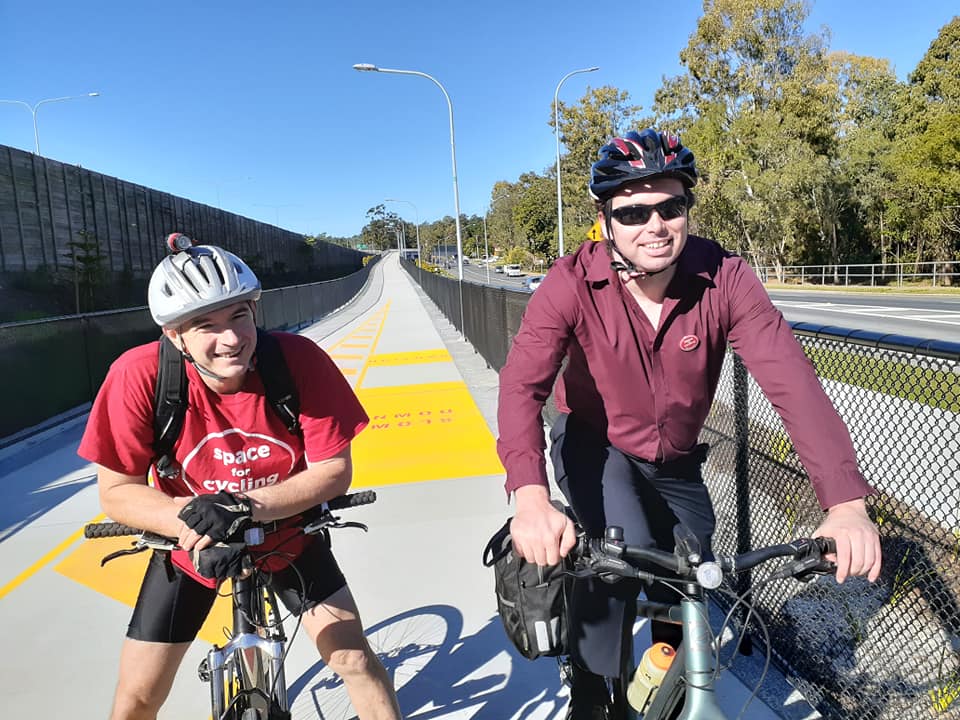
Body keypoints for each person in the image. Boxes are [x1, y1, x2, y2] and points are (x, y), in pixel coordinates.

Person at [495, 129, 882, 719]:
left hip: (674, 458)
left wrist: (846, 502)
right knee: (624, 553)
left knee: (694, 574)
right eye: (632, 211)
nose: (654, 224)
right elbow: (522, 386)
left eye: (670, 207)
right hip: (595, 445)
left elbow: (792, 383)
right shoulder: (570, 281)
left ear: (686, 209)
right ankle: (595, 695)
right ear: (605, 222)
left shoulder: (724, 276)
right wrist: (529, 496)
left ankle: (668, 686)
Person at [78, 237, 401, 720]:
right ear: (173, 336)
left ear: (255, 310)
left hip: (289, 534)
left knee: (354, 660)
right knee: (138, 696)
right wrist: (193, 522)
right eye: (205, 325)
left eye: (239, 317)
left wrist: (242, 508)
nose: (230, 339)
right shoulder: (138, 376)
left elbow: (333, 470)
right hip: (188, 549)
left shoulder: (297, 361)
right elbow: (117, 490)